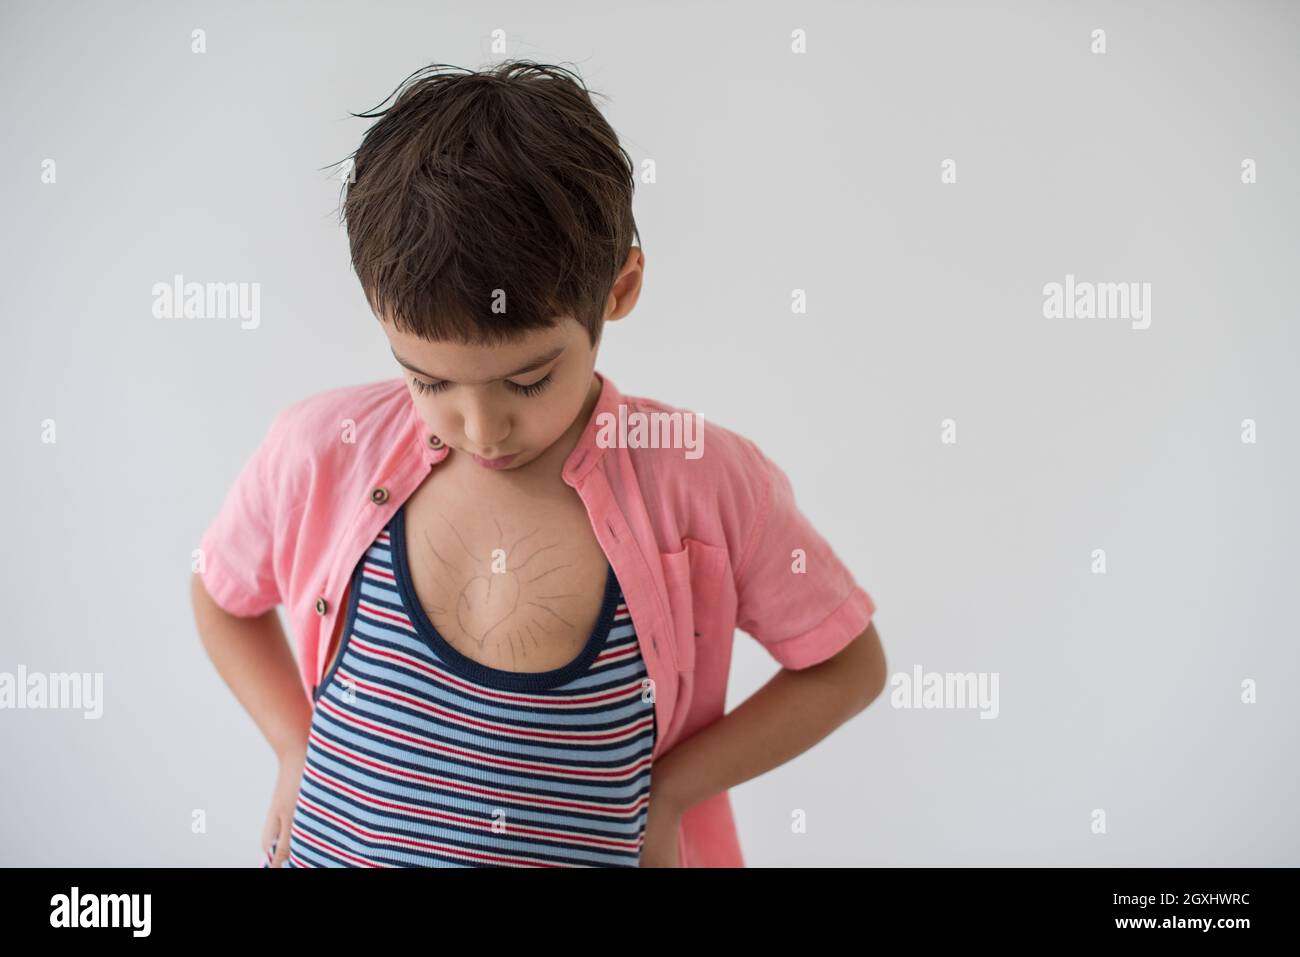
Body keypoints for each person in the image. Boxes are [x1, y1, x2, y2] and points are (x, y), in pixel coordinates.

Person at [190, 60, 887, 869]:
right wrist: (291, 745)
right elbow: (221, 594)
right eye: (430, 379)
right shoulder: (322, 448)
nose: (482, 428)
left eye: (528, 379)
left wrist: (672, 792)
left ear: (619, 288)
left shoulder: (703, 479)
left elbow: (847, 665)